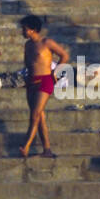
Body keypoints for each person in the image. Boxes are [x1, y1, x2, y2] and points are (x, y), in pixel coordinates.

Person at [19, 15, 70, 158]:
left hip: (46, 80)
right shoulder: (27, 45)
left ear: (33, 29)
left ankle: (26, 145)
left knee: (35, 114)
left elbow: (64, 55)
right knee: (39, 116)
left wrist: (56, 72)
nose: (22, 31)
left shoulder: (47, 42)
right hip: (31, 81)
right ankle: (47, 149)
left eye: (25, 29)